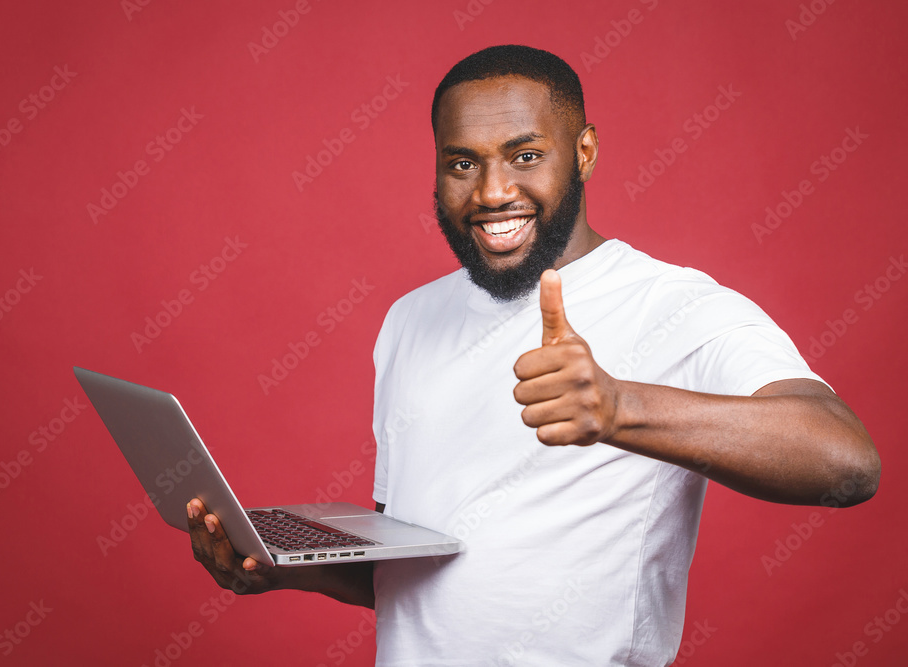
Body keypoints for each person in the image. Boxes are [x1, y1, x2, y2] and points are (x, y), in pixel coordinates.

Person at [186, 45, 880, 665]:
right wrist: (277, 562)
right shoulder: (409, 320)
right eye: (463, 163)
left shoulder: (673, 304)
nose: (492, 193)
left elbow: (846, 459)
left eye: (524, 155)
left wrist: (620, 406)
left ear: (582, 153)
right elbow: (418, 575)